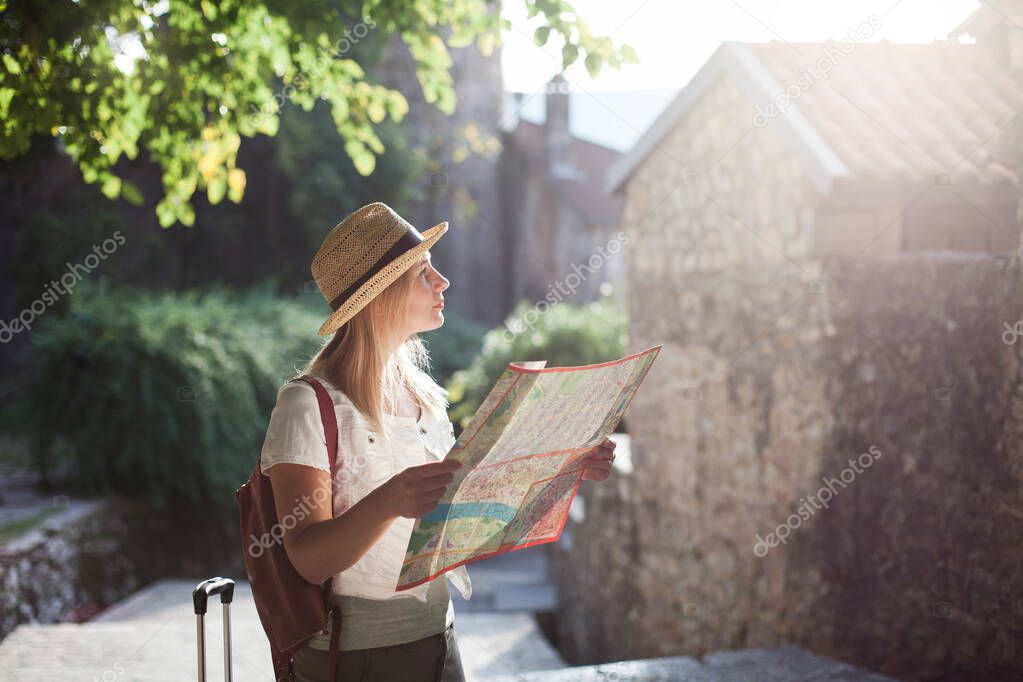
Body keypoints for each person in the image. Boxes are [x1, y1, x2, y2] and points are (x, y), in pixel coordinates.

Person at [259, 202, 617, 682]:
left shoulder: (426, 396)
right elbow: (306, 559)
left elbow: (459, 520)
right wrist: (390, 500)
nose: (443, 281)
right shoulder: (306, 404)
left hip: (441, 643)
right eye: (423, 272)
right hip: (353, 660)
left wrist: (561, 467)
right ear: (380, 296)